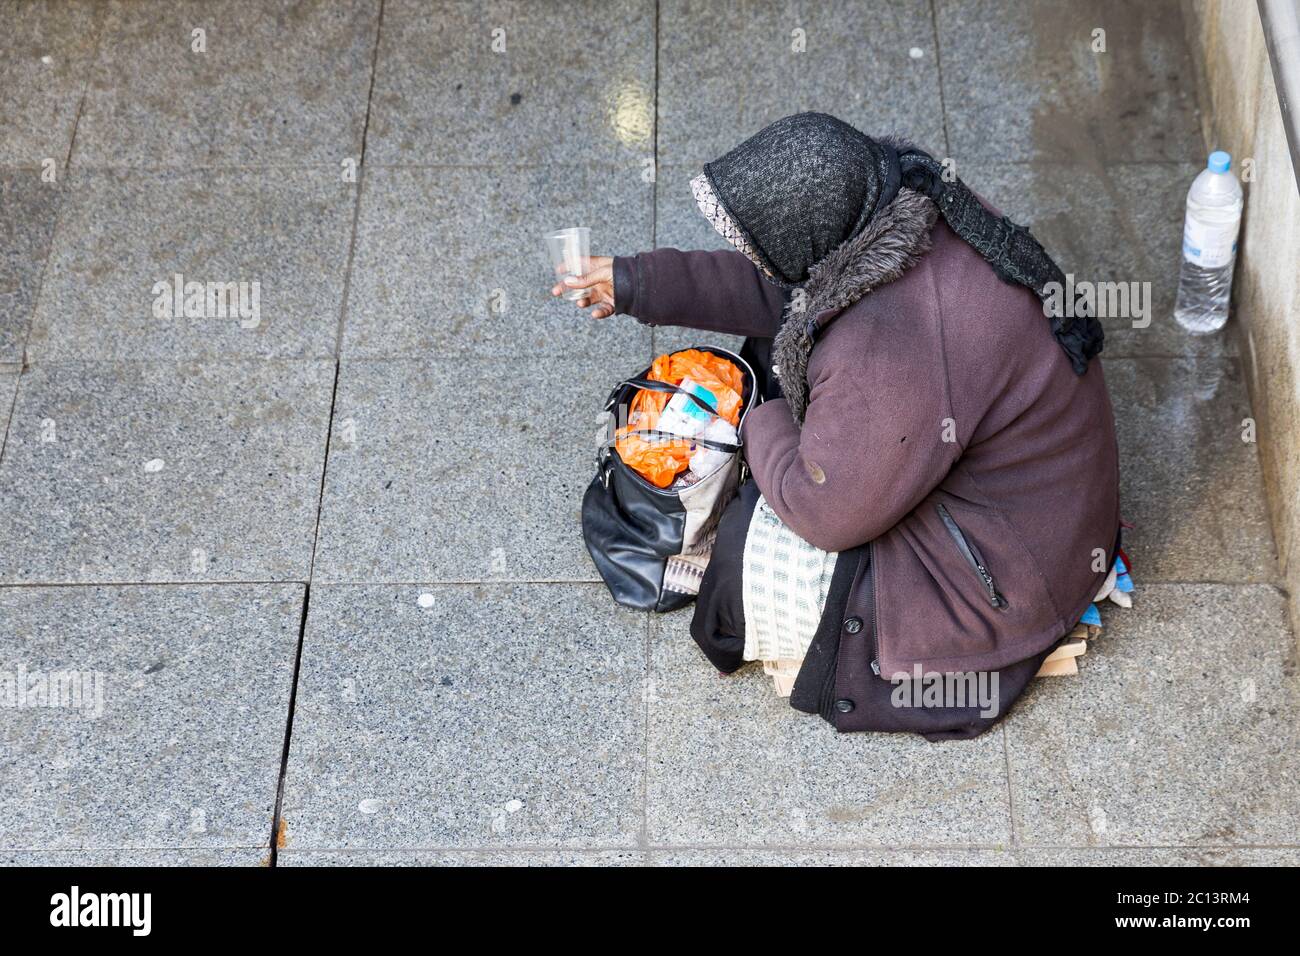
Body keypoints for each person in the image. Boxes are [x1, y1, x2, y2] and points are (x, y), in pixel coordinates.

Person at [553, 112, 1119, 739]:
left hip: (1008, 581)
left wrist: (753, 421)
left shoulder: (889, 347)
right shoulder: (905, 196)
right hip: (1050, 497)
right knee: (770, 353)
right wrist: (635, 282)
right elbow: (780, 287)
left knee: (739, 551)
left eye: (756, 246)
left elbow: (824, 511)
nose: (752, 258)